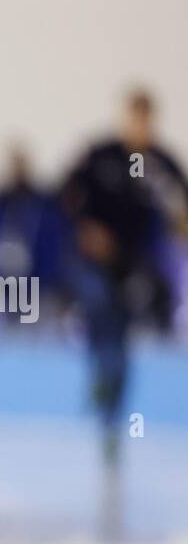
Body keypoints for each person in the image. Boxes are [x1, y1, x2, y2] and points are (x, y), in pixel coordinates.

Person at [61, 89, 188, 461]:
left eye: (146, 120)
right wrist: (88, 230)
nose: (140, 127)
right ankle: (100, 387)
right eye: (134, 118)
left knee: (120, 338)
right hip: (91, 263)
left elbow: (179, 209)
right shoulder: (100, 155)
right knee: (98, 313)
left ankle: (111, 420)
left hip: (133, 268)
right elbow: (65, 196)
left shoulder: (163, 164)